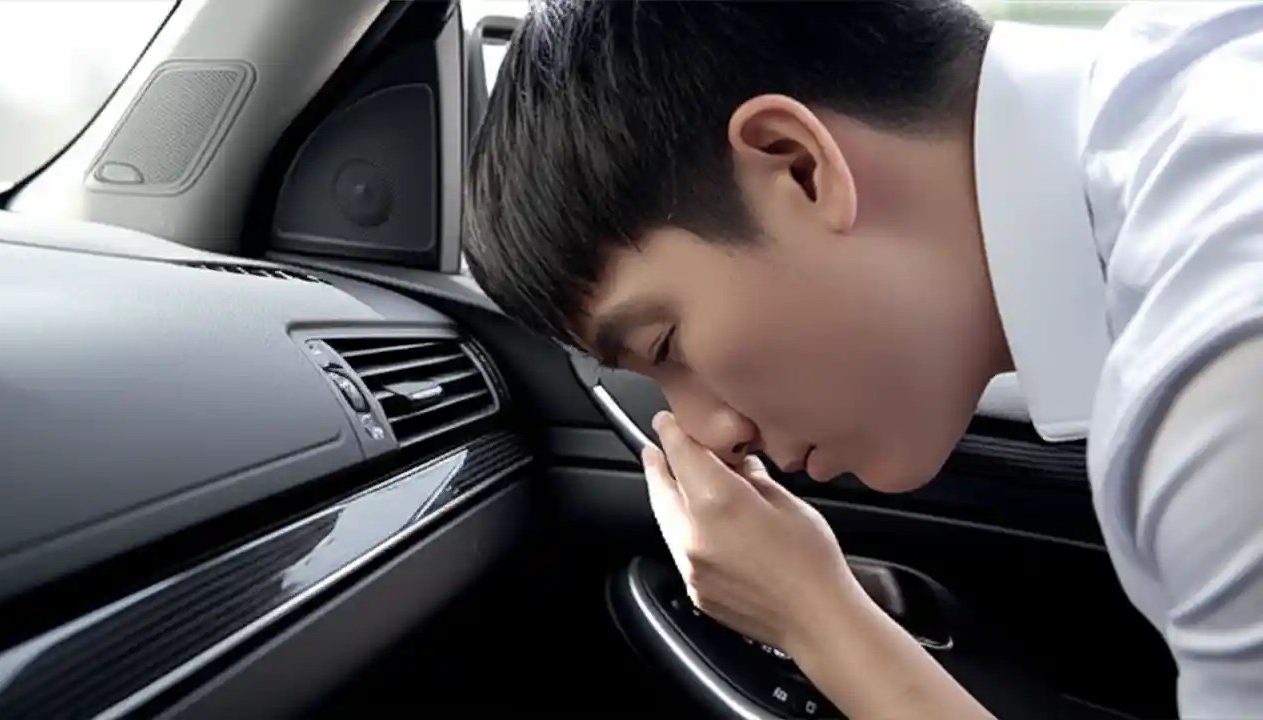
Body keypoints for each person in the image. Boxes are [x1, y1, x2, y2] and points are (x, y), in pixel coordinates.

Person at [463, 0, 1263, 716]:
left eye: (664, 346)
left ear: (799, 167)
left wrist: (815, 618)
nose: (708, 434)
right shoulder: (1187, 85)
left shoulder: (1219, 378)